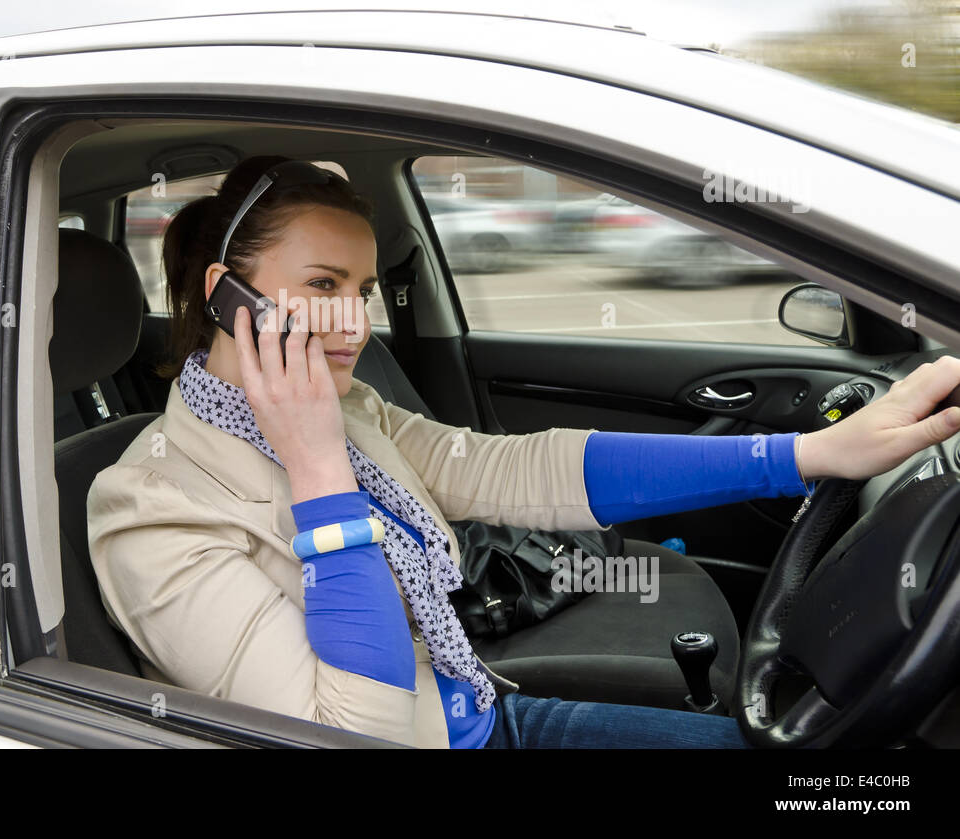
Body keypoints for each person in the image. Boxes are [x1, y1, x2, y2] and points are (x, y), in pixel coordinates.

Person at [86, 155, 960, 749]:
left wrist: (807, 452)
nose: (355, 324)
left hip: (491, 712)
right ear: (228, 295)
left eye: (361, 289)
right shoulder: (151, 507)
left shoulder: (347, 407)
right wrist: (318, 476)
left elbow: (518, 469)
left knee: (849, 782)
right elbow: (358, 735)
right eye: (321, 287)